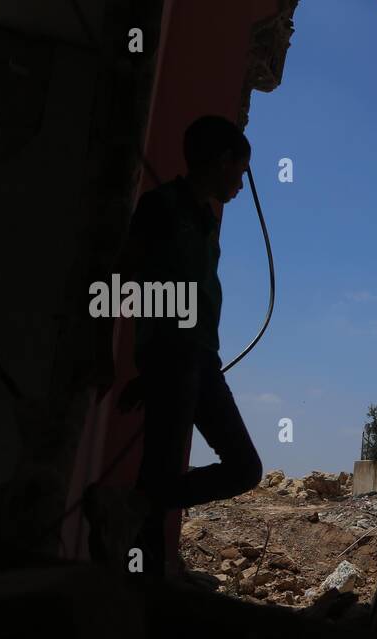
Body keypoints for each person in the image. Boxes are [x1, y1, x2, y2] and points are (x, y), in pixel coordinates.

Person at [85, 115, 262, 579]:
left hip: (197, 359)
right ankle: (141, 582)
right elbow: (121, 279)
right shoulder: (161, 207)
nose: (241, 183)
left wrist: (150, 375)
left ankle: (130, 517)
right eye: (240, 171)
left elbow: (172, 289)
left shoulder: (202, 219)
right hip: (176, 358)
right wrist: (106, 349)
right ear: (223, 160)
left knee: (242, 469)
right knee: (162, 473)